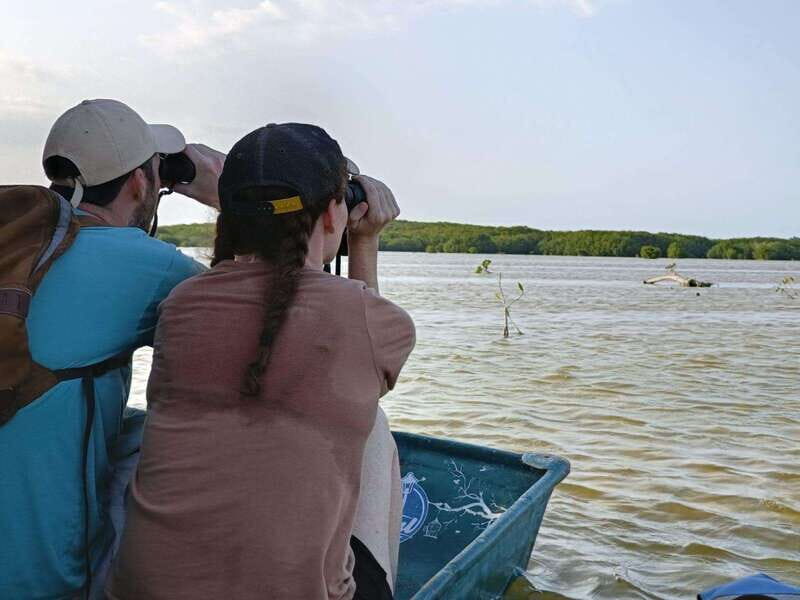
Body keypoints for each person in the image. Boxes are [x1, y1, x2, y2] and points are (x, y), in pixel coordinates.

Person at [106, 123, 415, 600]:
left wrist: (237, 202)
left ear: (228, 216)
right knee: (373, 428)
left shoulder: (181, 303)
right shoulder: (367, 318)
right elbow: (364, 373)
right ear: (334, 215)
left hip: (142, 590)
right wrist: (366, 240)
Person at [0, 98, 224, 599]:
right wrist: (229, 198)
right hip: (41, 580)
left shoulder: (10, 245)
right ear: (142, 183)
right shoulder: (150, 267)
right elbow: (253, 315)